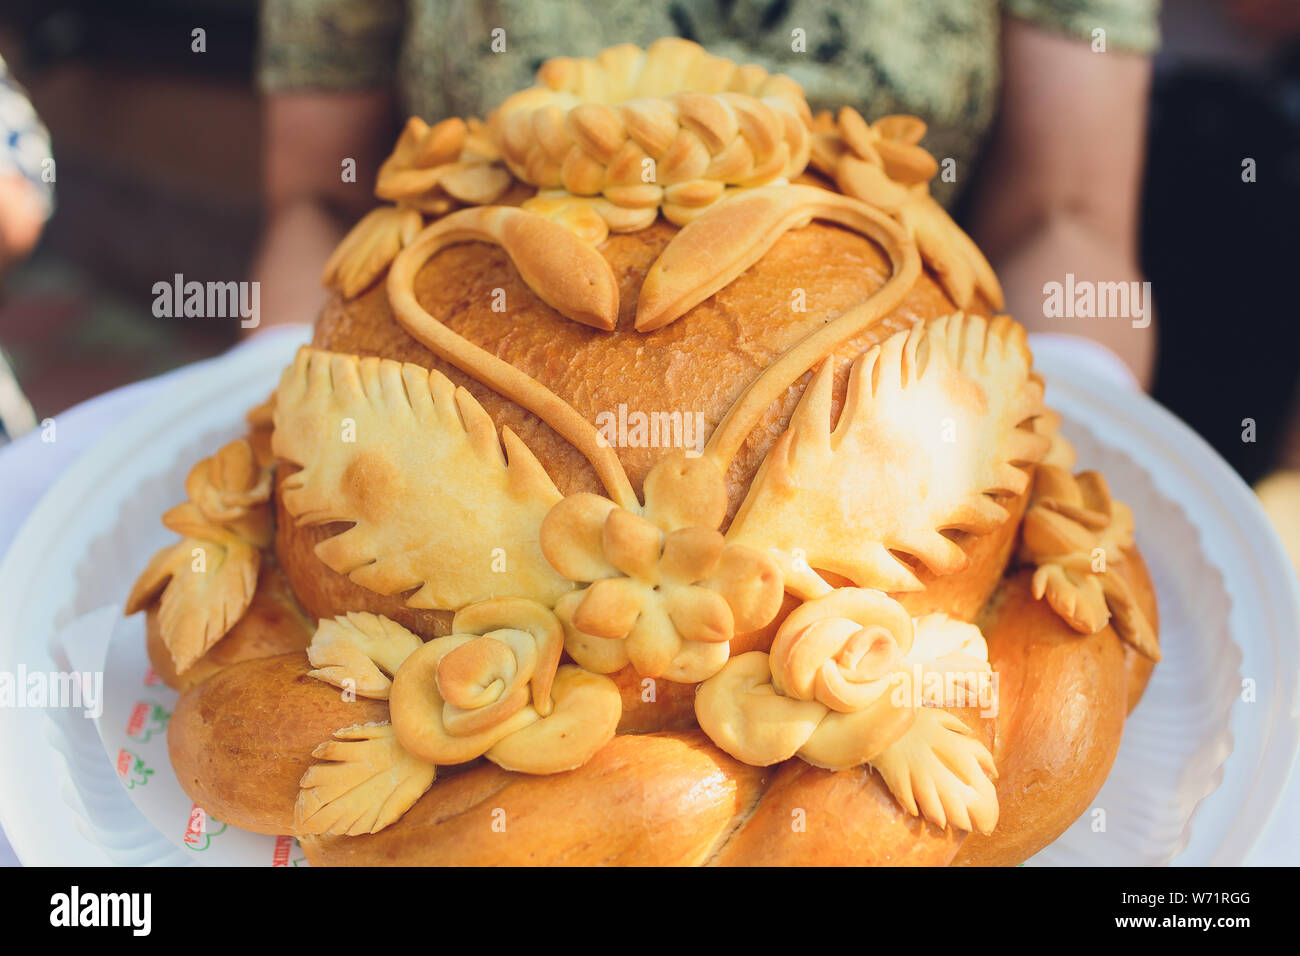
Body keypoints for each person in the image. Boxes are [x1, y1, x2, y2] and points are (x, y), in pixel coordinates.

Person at [252, 0, 1160, 387]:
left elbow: (1064, 214)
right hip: (470, 391)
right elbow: (319, 198)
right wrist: (286, 382)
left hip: (887, 403)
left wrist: (1073, 398)